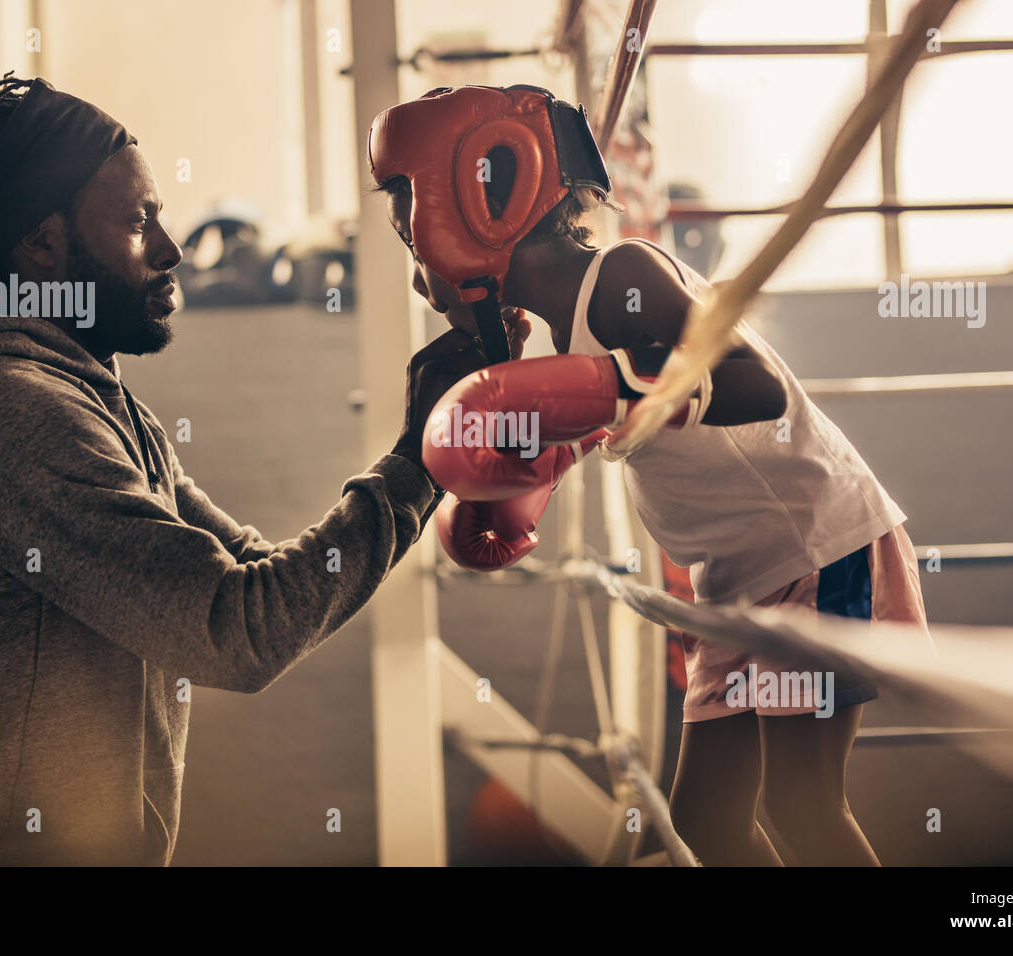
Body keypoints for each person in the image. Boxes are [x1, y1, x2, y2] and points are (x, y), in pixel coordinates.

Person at [0, 69, 486, 865]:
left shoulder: (95, 404)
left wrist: (424, 458)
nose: (172, 250)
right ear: (42, 243)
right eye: (140, 222)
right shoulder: (7, 411)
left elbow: (256, 582)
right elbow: (238, 631)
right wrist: (418, 458)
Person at [370, 84, 931, 866]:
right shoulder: (561, 344)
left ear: (479, 212)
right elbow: (554, 458)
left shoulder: (625, 275)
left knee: (801, 804)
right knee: (709, 829)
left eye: (413, 241)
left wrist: (610, 389)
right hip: (735, 586)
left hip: (816, 552)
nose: (417, 270)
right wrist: (499, 472)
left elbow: (750, 387)